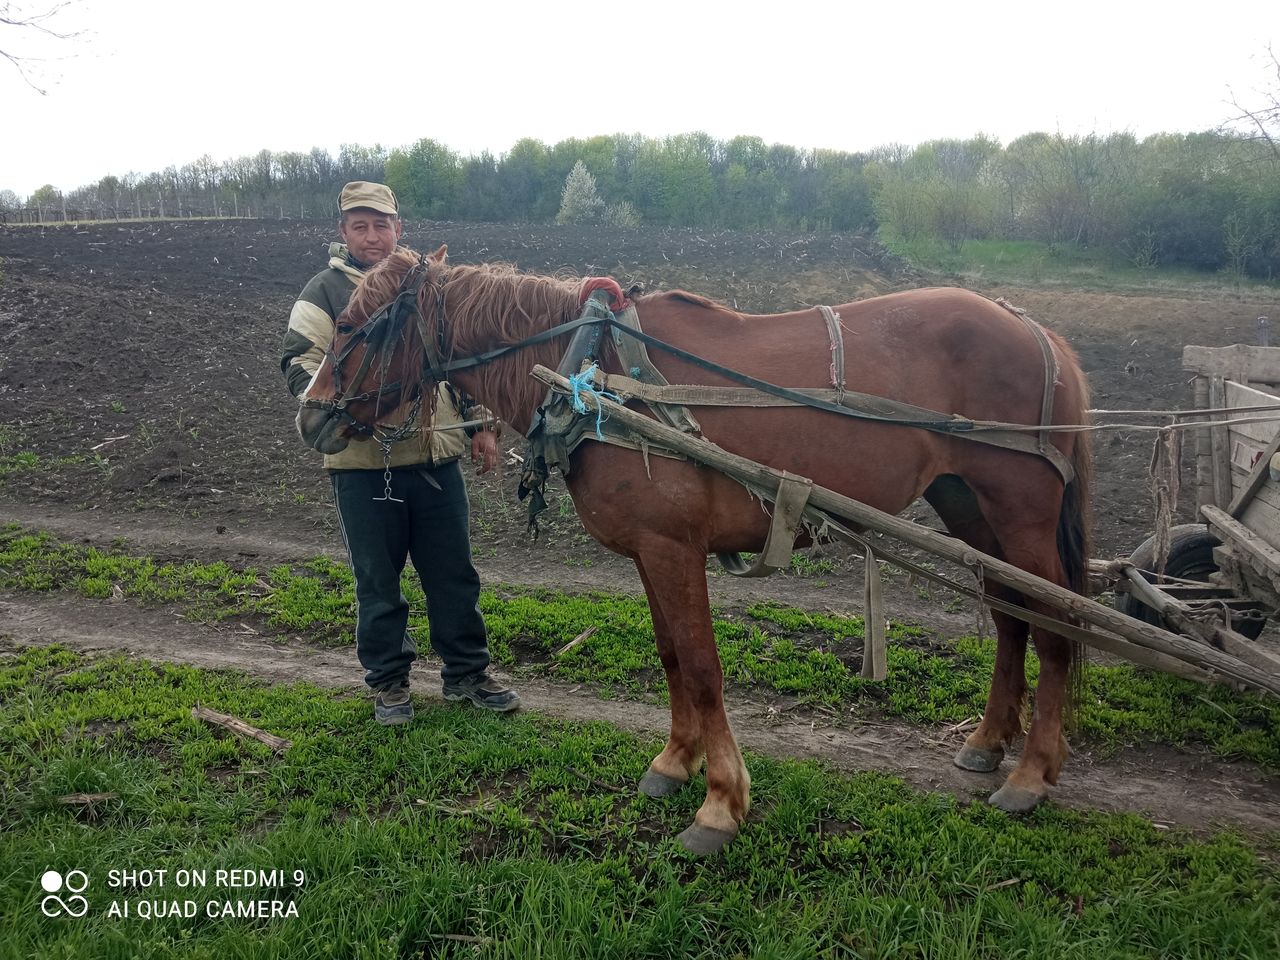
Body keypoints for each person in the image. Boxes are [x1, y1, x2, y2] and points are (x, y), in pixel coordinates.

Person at [281, 180, 519, 724]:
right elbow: (299, 365)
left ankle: (467, 673)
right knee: (378, 579)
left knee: (454, 574)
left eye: (381, 224)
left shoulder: (427, 287)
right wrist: (347, 412)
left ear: (398, 228)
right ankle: (389, 681)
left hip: (435, 458)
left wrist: (482, 425)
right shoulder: (324, 291)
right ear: (343, 231)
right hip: (363, 465)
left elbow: (455, 360)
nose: (372, 236)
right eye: (360, 226)